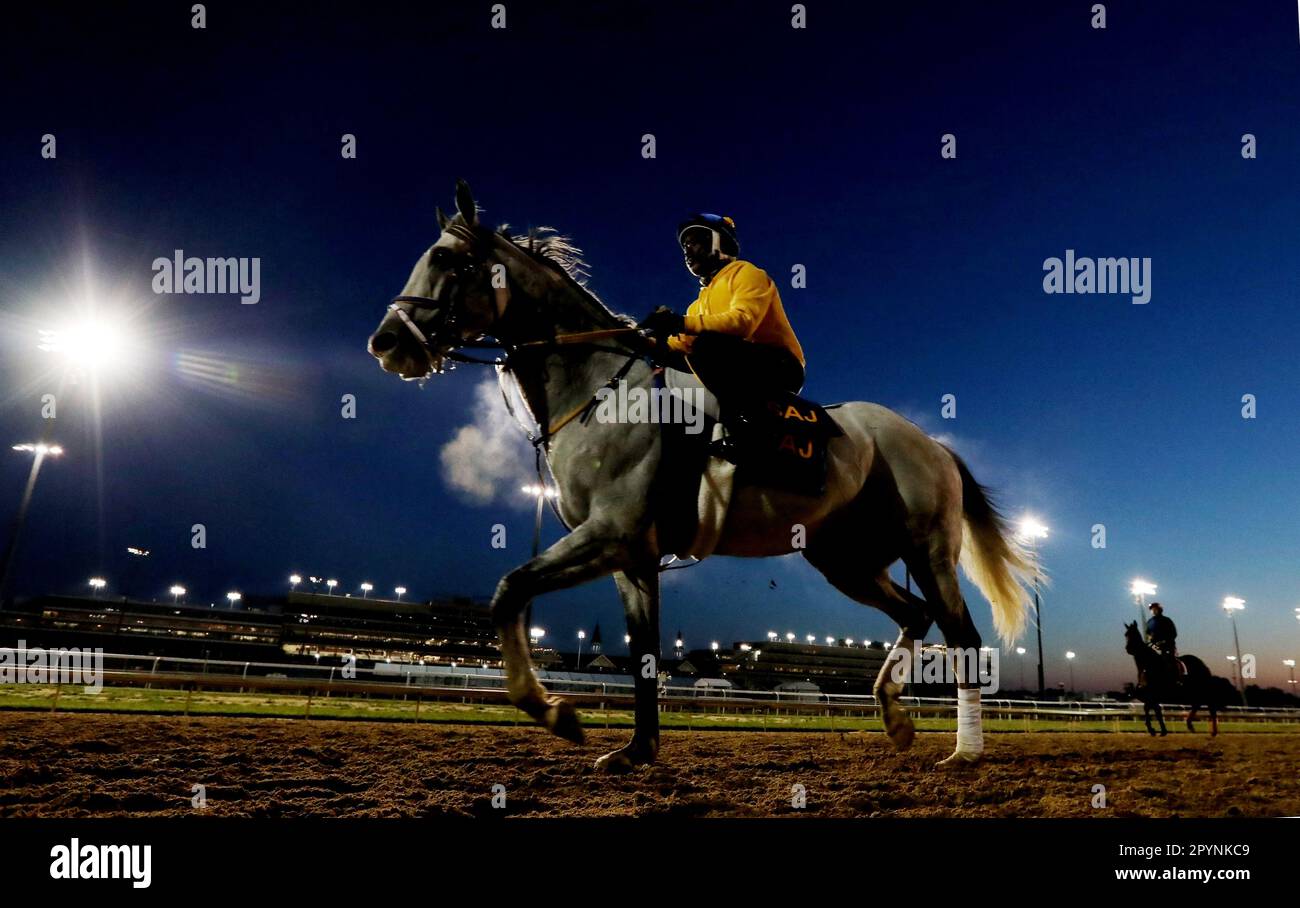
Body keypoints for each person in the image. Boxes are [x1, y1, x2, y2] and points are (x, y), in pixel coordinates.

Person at [639, 214, 806, 454]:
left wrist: (679, 322)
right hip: (736, 365)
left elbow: (742, 322)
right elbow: (679, 347)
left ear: (719, 242)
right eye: (684, 246)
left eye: (694, 241)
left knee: (707, 344)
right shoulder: (696, 305)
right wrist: (644, 340)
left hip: (780, 366)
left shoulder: (747, 272)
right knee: (673, 362)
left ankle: (751, 428)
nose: (687, 251)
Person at [1145, 602, 1180, 678]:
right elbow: (1148, 634)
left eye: (1155, 609)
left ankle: (1177, 677)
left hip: (1167, 646)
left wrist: (1164, 641)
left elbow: (1174, 633)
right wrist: (1150, 641)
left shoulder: (1167, 620)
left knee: (1169, 660)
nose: (1153, 611)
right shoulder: (1149, 622)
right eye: (1152, 609)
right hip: (1154, 646)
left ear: (1160, 610)